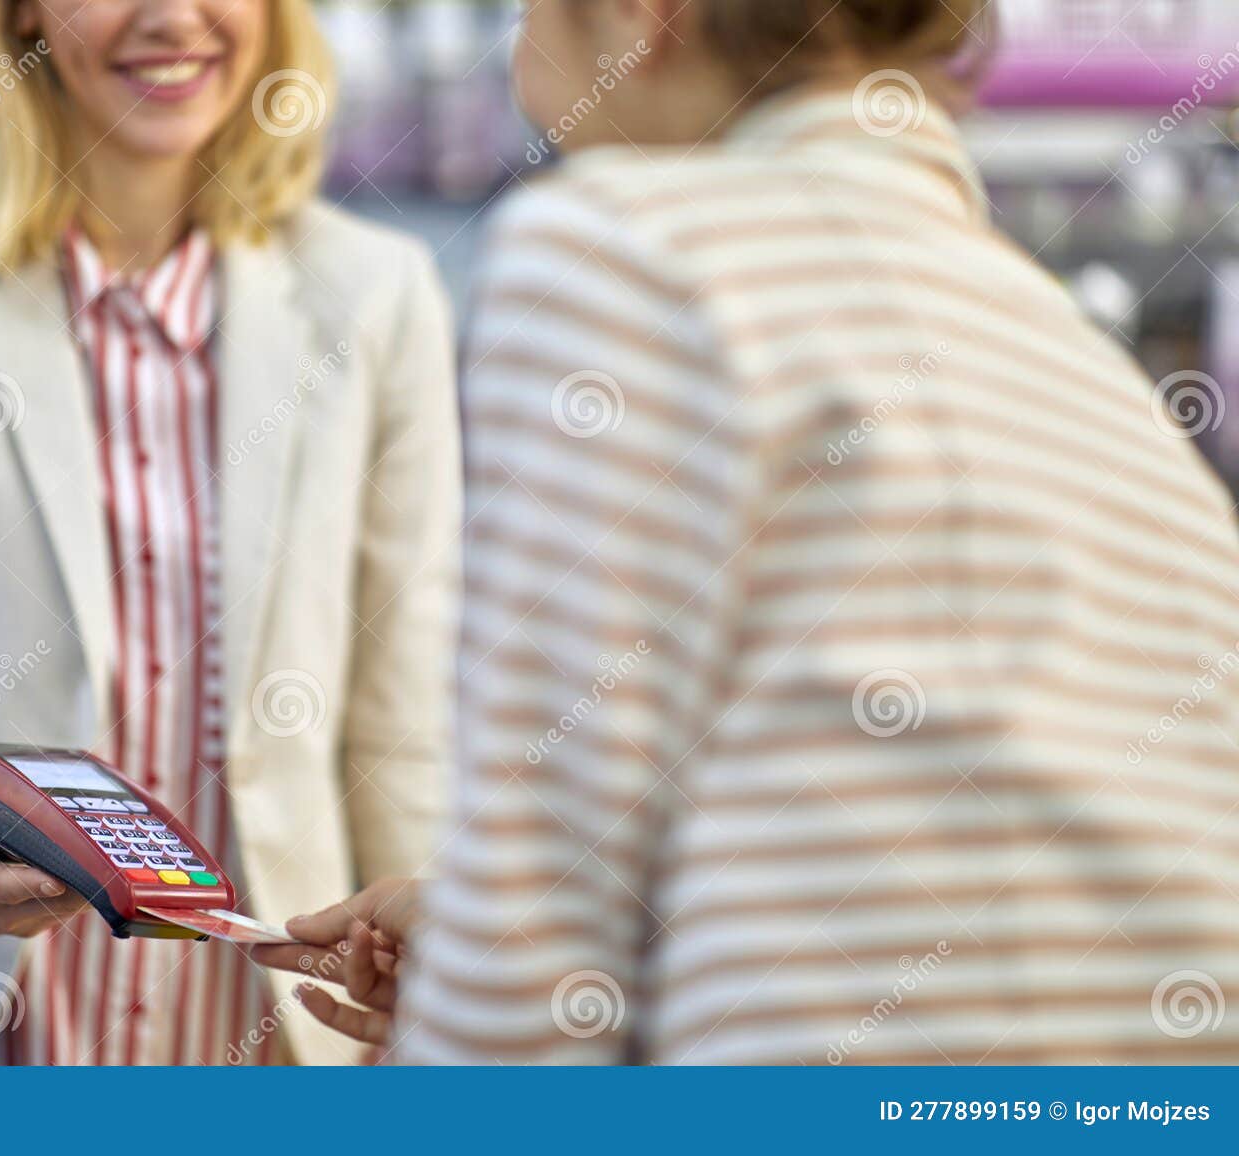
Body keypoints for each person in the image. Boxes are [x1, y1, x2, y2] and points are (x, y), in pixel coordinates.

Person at [254, 0, 1239, 1063]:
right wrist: (465, 945)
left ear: (641, 17)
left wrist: (468, 994)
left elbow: (529, 990)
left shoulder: (624, 247)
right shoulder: (1081, 371)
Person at [0, 0, 459, 1067]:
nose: (175, 18)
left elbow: (396, 719)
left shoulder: (373, 295)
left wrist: (430, 999)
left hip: (265, 1035)